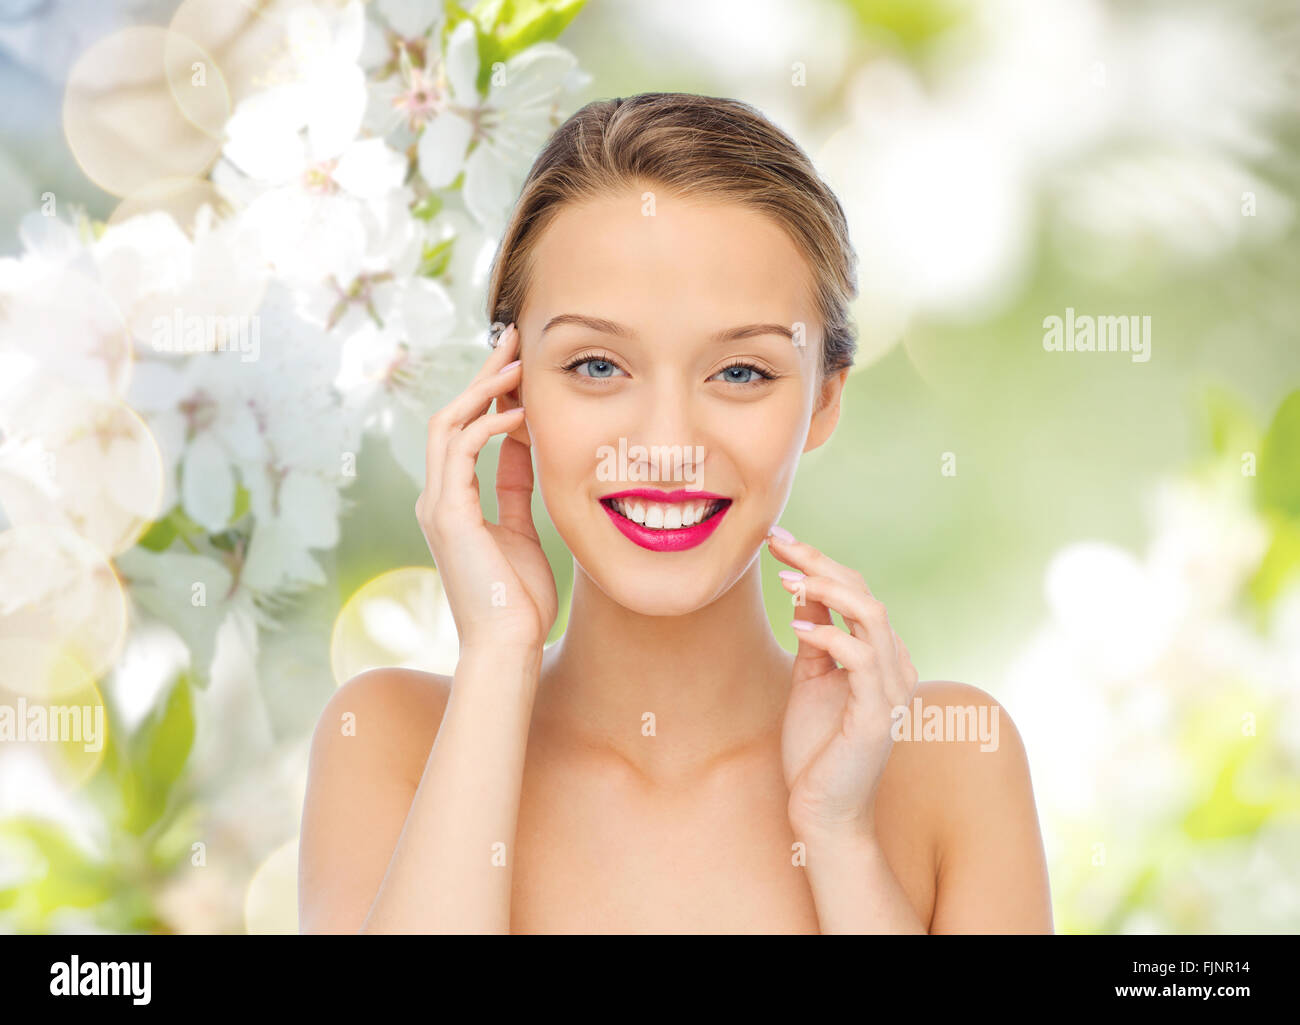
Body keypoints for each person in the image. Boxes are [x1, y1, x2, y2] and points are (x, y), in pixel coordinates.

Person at [298, 93, 1054, 934]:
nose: (665, 446)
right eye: (595, 364)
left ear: (825, 398)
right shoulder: (392, 740)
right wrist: (498, 656)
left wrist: (838, 839)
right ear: (509, 386)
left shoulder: (950, 760)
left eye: (739, 373)